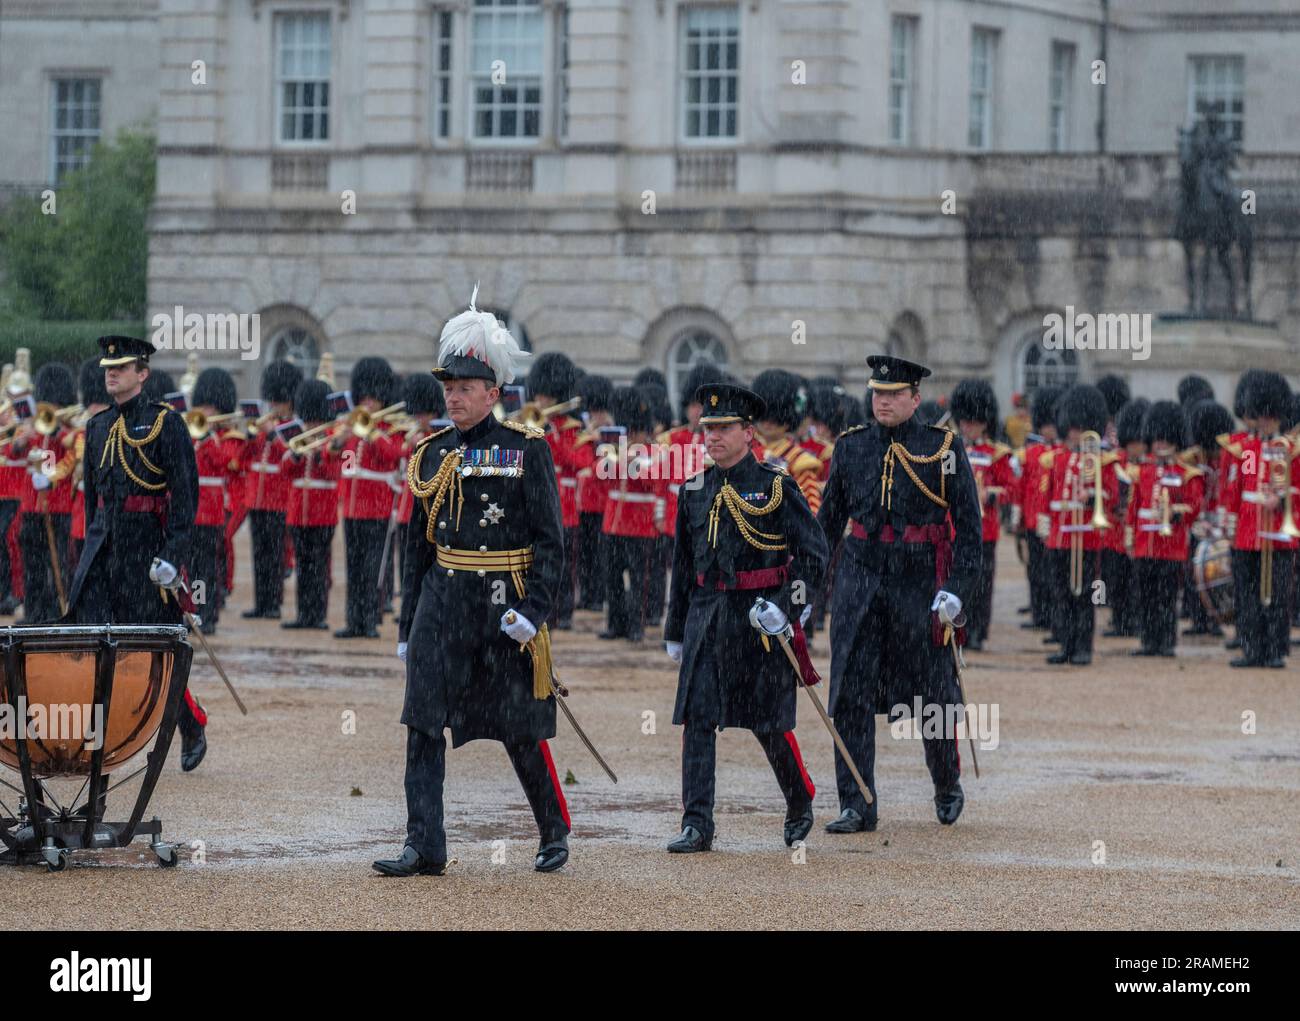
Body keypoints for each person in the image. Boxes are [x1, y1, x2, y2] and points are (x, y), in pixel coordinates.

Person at [376, 294, 570, 877]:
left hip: (502, 601)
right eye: (448, 387)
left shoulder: (526, 449)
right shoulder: (431, 453)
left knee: (519, 727)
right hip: (442, 601)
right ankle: (424, 844)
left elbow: (551, 542)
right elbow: (419, 549)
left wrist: (535, 611)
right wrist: (410, 623)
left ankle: (553, 829)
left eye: (465, 388)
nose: (453, 397)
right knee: (423, 721)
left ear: (493, 392)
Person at [817, 355, 981, 833]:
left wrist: (957, 591)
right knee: (849, 691)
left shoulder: (943, 448)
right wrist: (804, 588)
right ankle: (857, 801)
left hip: (919, 580)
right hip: (861, 576)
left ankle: (946, 782)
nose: (882, 402)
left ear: (914, 398)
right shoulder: (851, 447)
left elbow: (970, 530)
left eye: (892, 395)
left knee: (932, 694)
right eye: (877, 394)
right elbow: (827, 527)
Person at [662, 382, 828, 853]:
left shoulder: (777, 485)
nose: (711, 436)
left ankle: (799, 798)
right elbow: (684, 566)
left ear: (748, 433)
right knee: (697, 720)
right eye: (707, 428)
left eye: (723, 428)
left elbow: (814, 554)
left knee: (767, 723)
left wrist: (787, 606)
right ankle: (697, 822)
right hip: (708, 616)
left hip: (759, 620)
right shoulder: (693, 490)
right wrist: (676, 631)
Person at [64, 336, 207, 771]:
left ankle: (191, 722)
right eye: (109, 367)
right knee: (93, 641)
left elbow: (185, 498)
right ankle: (100, 738)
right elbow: (93, 502)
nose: (112, 373)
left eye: (122, 367)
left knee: (155, 648)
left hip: (147, 549)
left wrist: (171, 554)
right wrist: (88, 550)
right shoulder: (98, 425)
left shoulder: (166, 423)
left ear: (142, 374)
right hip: (104, 548)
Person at [1042, 384, 1121, 667]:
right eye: (1072, 427)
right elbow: (1047, 495)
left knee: (1084, 594)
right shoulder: (1056, 459)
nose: (1075, 433)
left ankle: (1083, 646)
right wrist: (1046, 529)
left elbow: (1111, 495)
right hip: (1061, 535)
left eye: (1080, 427)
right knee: (1061, 594)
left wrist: (1092, 497)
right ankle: (1065, 643)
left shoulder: (1100, 460)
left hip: (1086, 535)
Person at [1125, 401, 1203, 657]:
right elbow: (1134, 507)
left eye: (1165, 439)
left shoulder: (1186, 473)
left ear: (1175, 440)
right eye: (1156, 439)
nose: (1159, 444)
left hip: (1171, 545)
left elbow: (1193, 507)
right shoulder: (1143, 472)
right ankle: (1149, 640)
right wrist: (1129, 536)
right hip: (1144, 541)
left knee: (1167, 596)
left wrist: (1175, 513)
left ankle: (1166, 641)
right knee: (1145, 596)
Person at [336, 357, 404, 638]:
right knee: (353, 569)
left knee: (371, 570)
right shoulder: (354, 430)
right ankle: (354, 621)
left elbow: (393, 456)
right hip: (352, 508)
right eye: (363, 398)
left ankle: (370, 620)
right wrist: (339, 443)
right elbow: (348, 465)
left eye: (372, 398)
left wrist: (373, 433)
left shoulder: (391, 429)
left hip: (376, 507)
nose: (367, 403)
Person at [13, 363, 78, 624]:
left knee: (57, 565)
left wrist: (58, 432)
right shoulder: (31, 427)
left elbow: (74, 456)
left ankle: (55, 611)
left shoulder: (67, 431)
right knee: (34, 565)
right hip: (31, 507)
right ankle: (34, 612)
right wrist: (23, 437)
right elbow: (14, 450)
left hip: (59, 507)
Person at [527, 352, 585, 630]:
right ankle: (543, 609)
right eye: (538, 396)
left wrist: (552, 434)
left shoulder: (572, 429)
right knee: (538, 561)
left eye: (546, 397)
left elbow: (575, 462)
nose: (541, 402)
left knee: (564, 563)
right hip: (537, 499)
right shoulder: (531, 422)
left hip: (564, 502)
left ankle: (564, 611)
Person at [598, 387, 661, 643]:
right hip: (613, 524)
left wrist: (625, 460)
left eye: (635, 430)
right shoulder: (615, 449)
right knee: (612, 579)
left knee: (638, 581)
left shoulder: (654, 452)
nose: (633, 434)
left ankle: (636, 625)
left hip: (640, 526)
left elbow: (649, 479)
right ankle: (616, 623)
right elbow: (598, 473)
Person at [280, 379, 343, 630]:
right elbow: (285, 470)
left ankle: (318, 615)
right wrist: (296, 455)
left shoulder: (332, 439)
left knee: (319, 567)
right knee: (303, 567)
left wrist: (319, 457)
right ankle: (303, 614)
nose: (312, 423)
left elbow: (335, 472)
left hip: (322, 513)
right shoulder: (299, 436)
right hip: (298, 513)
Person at [242, 360, 303, 619]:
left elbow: (290, 458)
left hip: (278, 498)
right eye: (274, 401)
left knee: (275, 555)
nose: (276, 406)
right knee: (259, 554)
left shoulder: (292, 429)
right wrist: (250, 437)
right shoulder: (263, 426)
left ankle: (273, 604)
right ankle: (261, 602)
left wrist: (271, 436)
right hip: (257, 498)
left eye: (280, 401)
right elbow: (245, 458)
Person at [189, 367, 243, 634]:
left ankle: (206, 613)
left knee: (206, 569)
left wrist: (208, 437)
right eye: (202, 405)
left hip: (211, 510)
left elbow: (226, 463)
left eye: (209, 407)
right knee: (190, 567)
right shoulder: (192, 433)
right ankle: (192, 611)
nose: (204, 412)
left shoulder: (228, 439)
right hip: (190, 508)